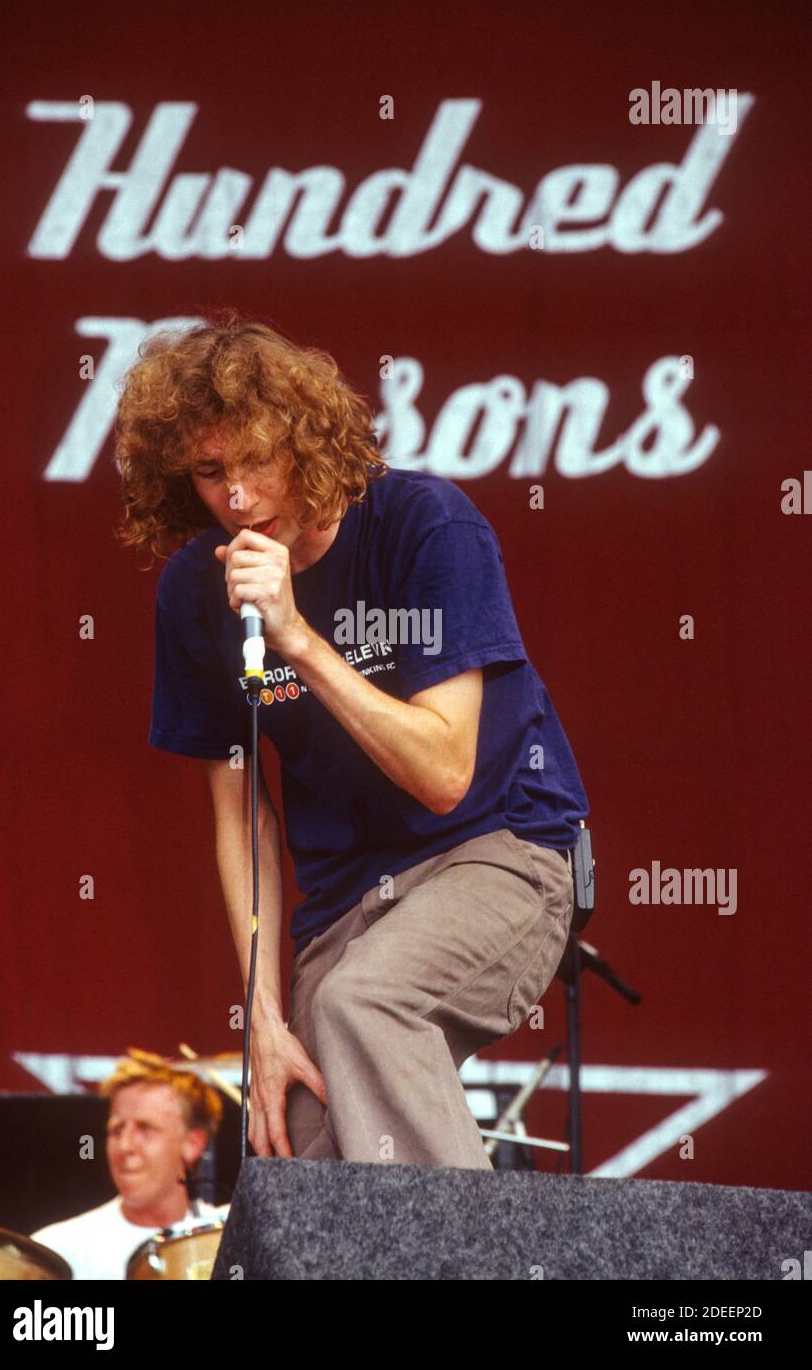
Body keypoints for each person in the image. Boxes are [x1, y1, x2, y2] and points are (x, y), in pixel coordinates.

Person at [114, 311, 590, 1171]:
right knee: (300, 1154)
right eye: (210, 472)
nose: (238, 498)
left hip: (496, 854)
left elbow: (445, 773)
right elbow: (242, 818)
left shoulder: (423, 523)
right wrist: (259, 1017)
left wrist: (298, 639)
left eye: (256, 461)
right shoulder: (196, 589)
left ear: (305, 443)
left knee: (363, 1007)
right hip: (343, 911)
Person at [31, 1057, 229, 1279]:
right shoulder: (57, 1250)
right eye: (117, 1130)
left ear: (192, 1144)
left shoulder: (233, 1238)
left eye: (146, 1129)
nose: (125, 1146)